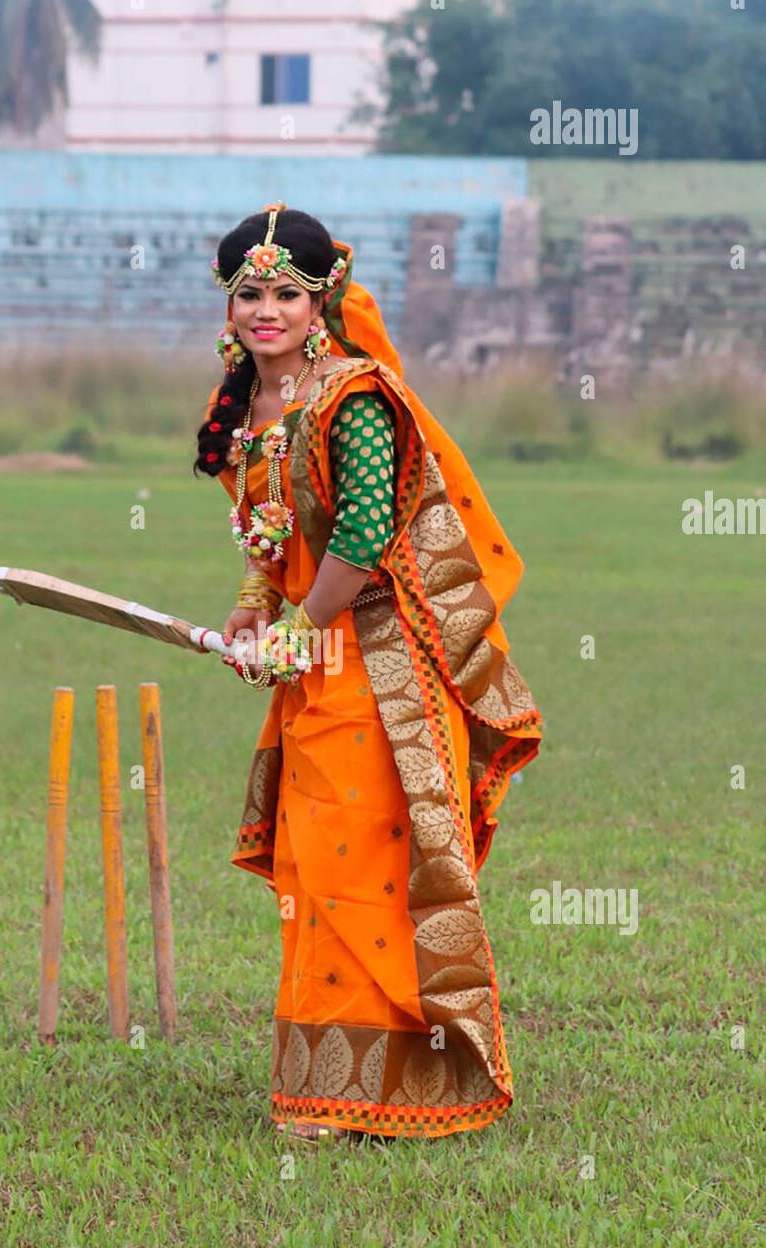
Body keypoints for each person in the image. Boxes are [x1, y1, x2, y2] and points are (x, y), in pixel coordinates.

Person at [193, 203, 542, 1144]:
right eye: (249, 294)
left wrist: (299, 630)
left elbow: (360, 535)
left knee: (373, 863)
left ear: (321, 303)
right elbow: (273, 534)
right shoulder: (252, 407)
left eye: (286, 295)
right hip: (317, 661)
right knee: (317, 864)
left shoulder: (352, 396)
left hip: (383, 663)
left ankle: (412, 1082)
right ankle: (324, 1088)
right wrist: (252, 608)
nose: (266, 311)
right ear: (227, 307)